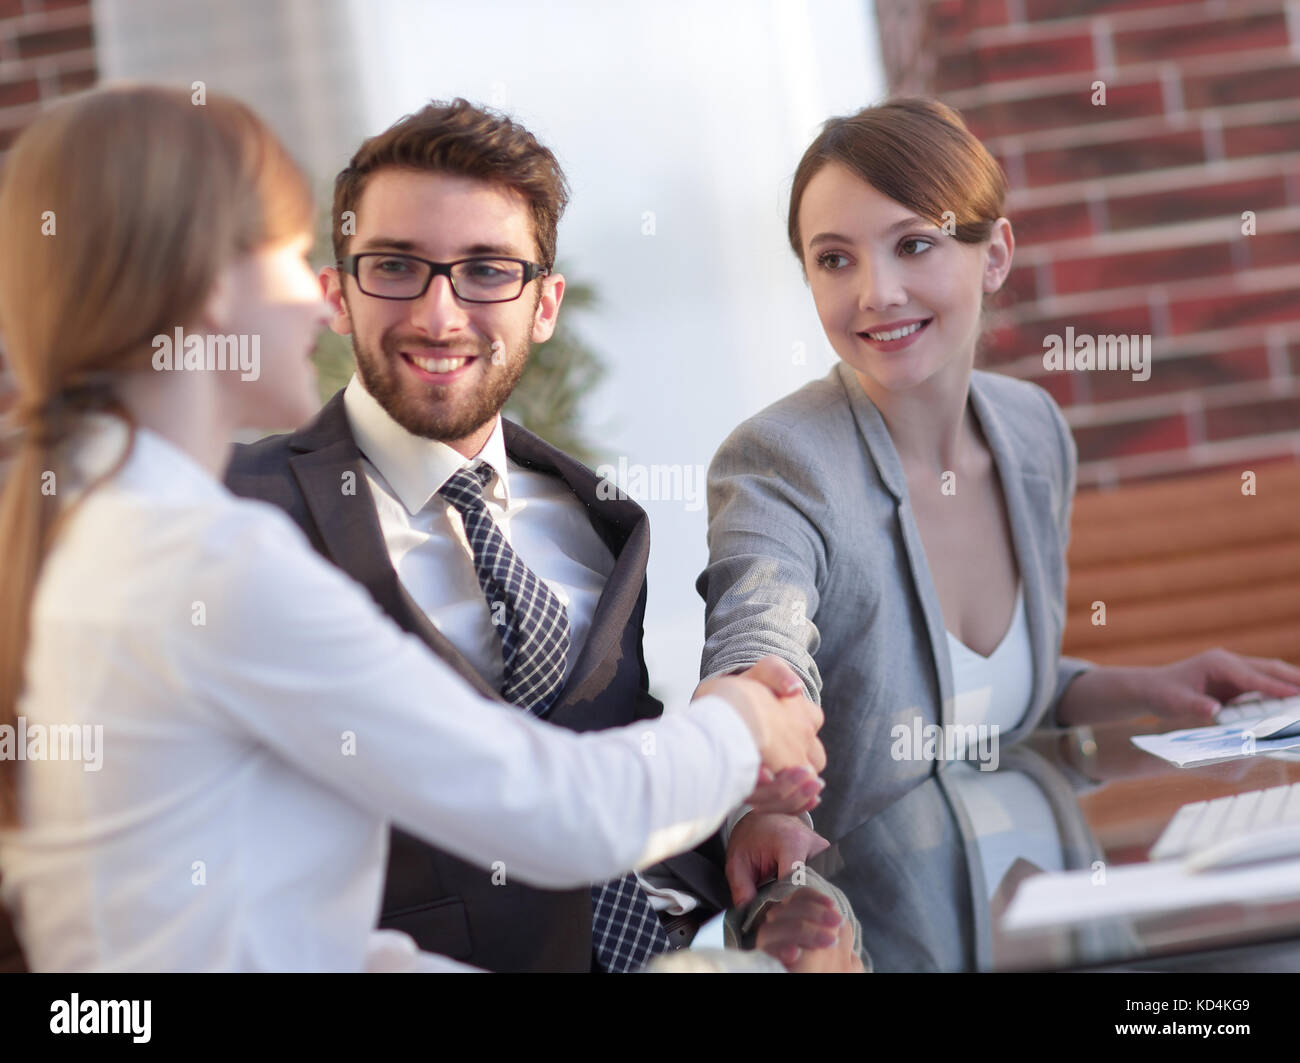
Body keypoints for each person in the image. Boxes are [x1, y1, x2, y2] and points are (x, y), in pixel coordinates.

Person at [0, 84, 825, 973]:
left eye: (485, 269)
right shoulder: (206, 555)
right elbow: (555, 810)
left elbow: (308, 947)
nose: (317, 304)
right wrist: (740, 720)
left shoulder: (113, 527)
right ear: (209, 284)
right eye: (289, 254)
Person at [696, 97, 1300, 972]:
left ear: (994, 256)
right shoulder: (781, 461)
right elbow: (761, 637)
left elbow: (980, 707)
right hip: (873, 930)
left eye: (914, 244)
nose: (876, 293)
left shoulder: (1031, 430)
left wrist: (1143, 686)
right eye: (835, 259)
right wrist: (758, 731)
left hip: (1055, 915)